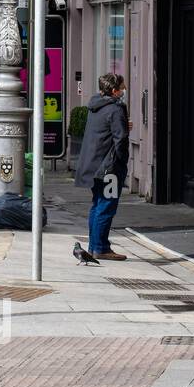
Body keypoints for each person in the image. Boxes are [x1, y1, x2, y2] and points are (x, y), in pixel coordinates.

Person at [74, 72, 130, 261]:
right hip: (109, 167)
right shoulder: (116, 109)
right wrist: (122, 162)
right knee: (107, 205)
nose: (124, 90)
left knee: (97, 204)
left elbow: (106, 131)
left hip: (93, 165)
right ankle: (100, 247)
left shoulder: (96, 106)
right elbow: (120, 139)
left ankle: (95, 245)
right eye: (122, 88)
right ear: (114, 91)